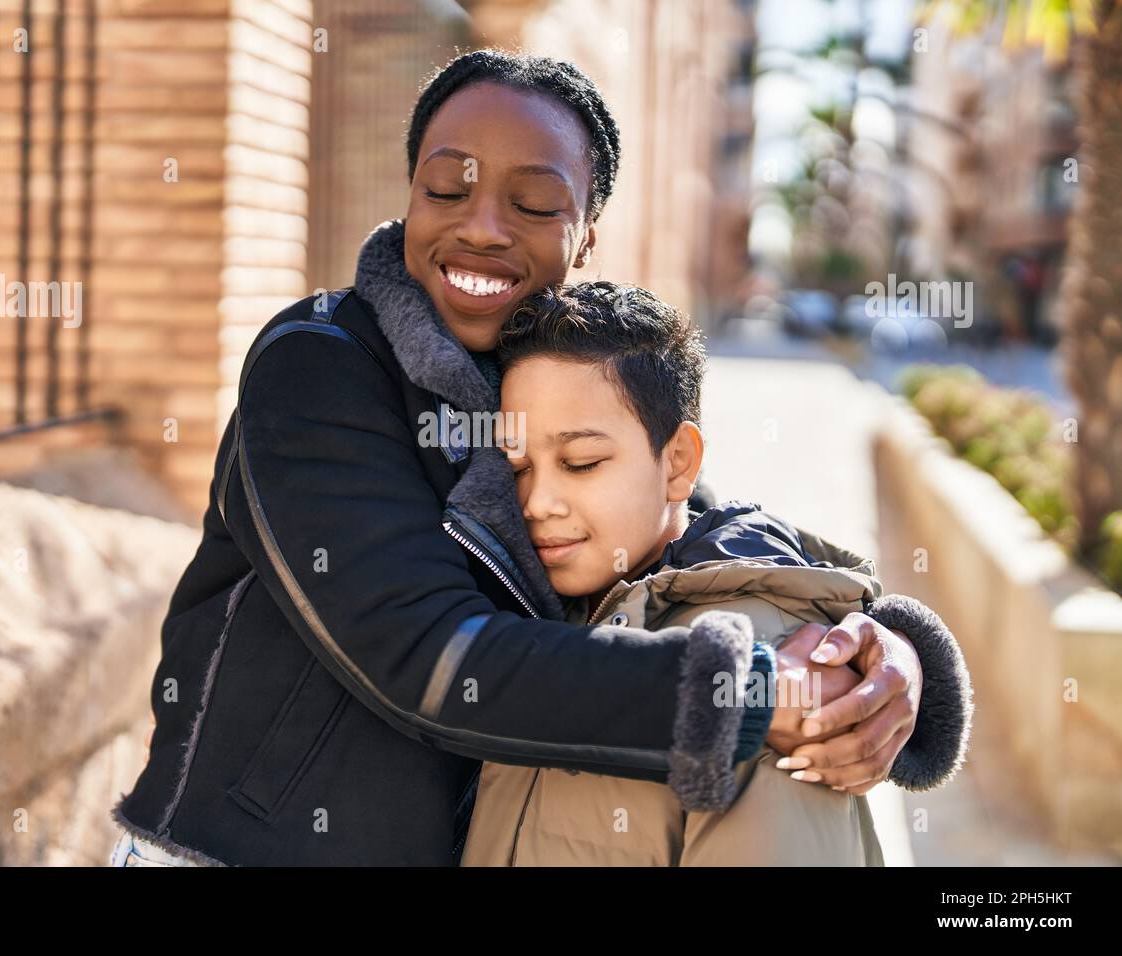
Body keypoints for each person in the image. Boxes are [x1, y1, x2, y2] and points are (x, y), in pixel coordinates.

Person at [109, 50, 971, 866]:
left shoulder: (557, 378)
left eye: (534, 204)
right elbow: (429, 656)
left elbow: (692, 534)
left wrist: (884, 657)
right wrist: (746, 693)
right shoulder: (320, 362)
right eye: (447, 188)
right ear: (411, 193)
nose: (481, 229)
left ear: (588, 233)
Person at [460, 281, 897, 866]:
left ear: (678, 463)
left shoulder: (772, 674)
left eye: (580, 463)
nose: (538, 502)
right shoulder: (534, 610)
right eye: (517, 466)